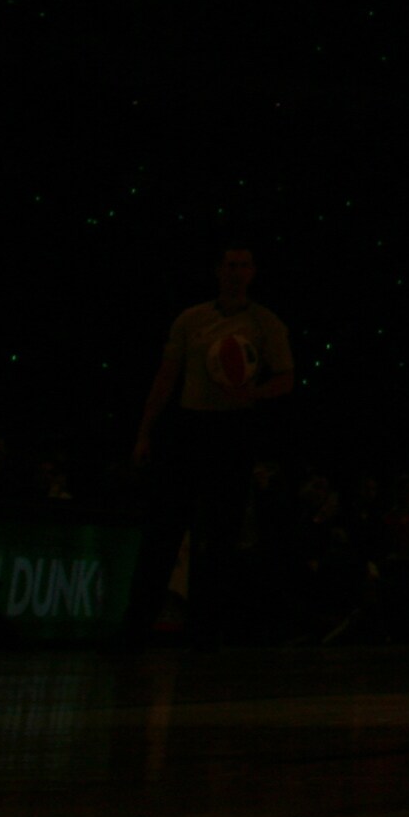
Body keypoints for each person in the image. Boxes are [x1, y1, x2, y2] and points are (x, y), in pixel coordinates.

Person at [123, 242, 295, 642]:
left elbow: (286, 378)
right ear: (218, 270)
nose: (237, 272)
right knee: (164, 528)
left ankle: (206, 632)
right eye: (230, 265)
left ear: (253, 272)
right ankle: (135, 628)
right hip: (189, 427)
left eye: (244, 265)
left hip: (233, 430)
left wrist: (252, 394)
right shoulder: (191, 319)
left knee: (220, 535)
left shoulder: (266, 323)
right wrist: (146, 430)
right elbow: (167, 376)